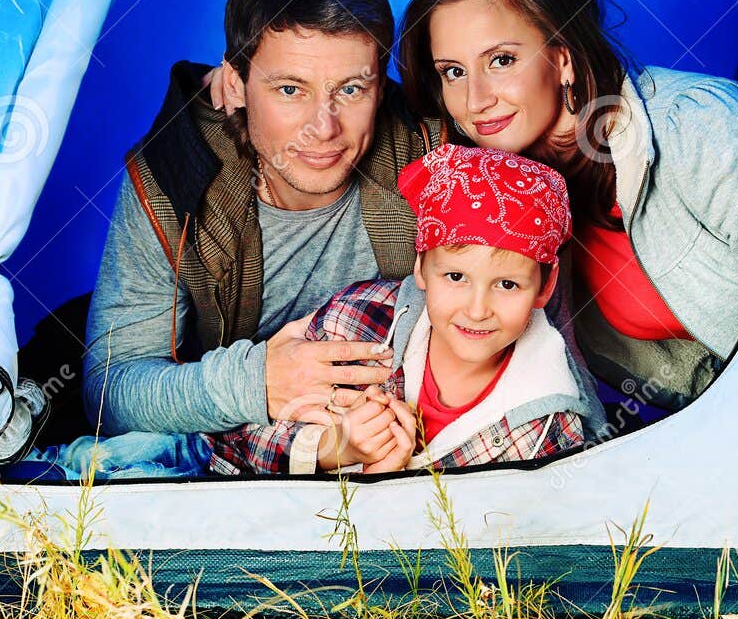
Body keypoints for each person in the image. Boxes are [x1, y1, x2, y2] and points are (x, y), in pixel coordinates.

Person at [397, 0, 738, 412]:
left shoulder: (700, 127)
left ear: (562, 60)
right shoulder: (494, 191)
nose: (475, 100)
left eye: (502, 60)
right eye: (453, 71)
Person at [84, 0, 439, 438]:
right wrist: (258, 382)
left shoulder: (433, 155)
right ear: (234, 84)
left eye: (352, 89)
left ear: (381, 87)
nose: (325, 127)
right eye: (291, 90)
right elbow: (110, 394)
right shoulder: (172, 180)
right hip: (235, 457)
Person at [205, 144, 597, 474]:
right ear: (421, 266)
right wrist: (334, 447)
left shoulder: (552, 425)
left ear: (545, 286)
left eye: (507, 285)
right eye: (456, 277)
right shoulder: (356, 321)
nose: (477, 310)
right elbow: (228, 443)